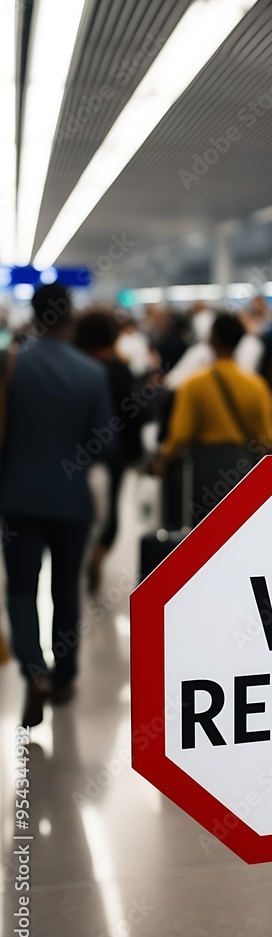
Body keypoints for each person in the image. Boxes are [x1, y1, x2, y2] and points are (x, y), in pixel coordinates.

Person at [0, 285, 114, 726]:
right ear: (70, 317)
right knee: (65, 589)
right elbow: (104, 441)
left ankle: (34, 671)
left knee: (20, 589)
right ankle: (64, 677)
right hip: (71, 500)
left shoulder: (12, 363)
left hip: (18, 498)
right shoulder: (91, 372)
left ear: (33, 315)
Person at [155, 314, 272, 521]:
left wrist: (164, 458)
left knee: (205, 528)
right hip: (243, 466)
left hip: (204, 468)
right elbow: (268, 438)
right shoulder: (256, 386)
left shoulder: (193, 385)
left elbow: (180, 434)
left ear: (211, 339)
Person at [74, 310, 144, 590]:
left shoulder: (74, 369)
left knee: (78, 515)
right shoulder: (119, 371)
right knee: (109, 514)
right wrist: (136, 454)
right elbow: (133, 415)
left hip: (74, 456)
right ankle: (99, 553)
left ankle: (77, 557)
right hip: (113, 457)